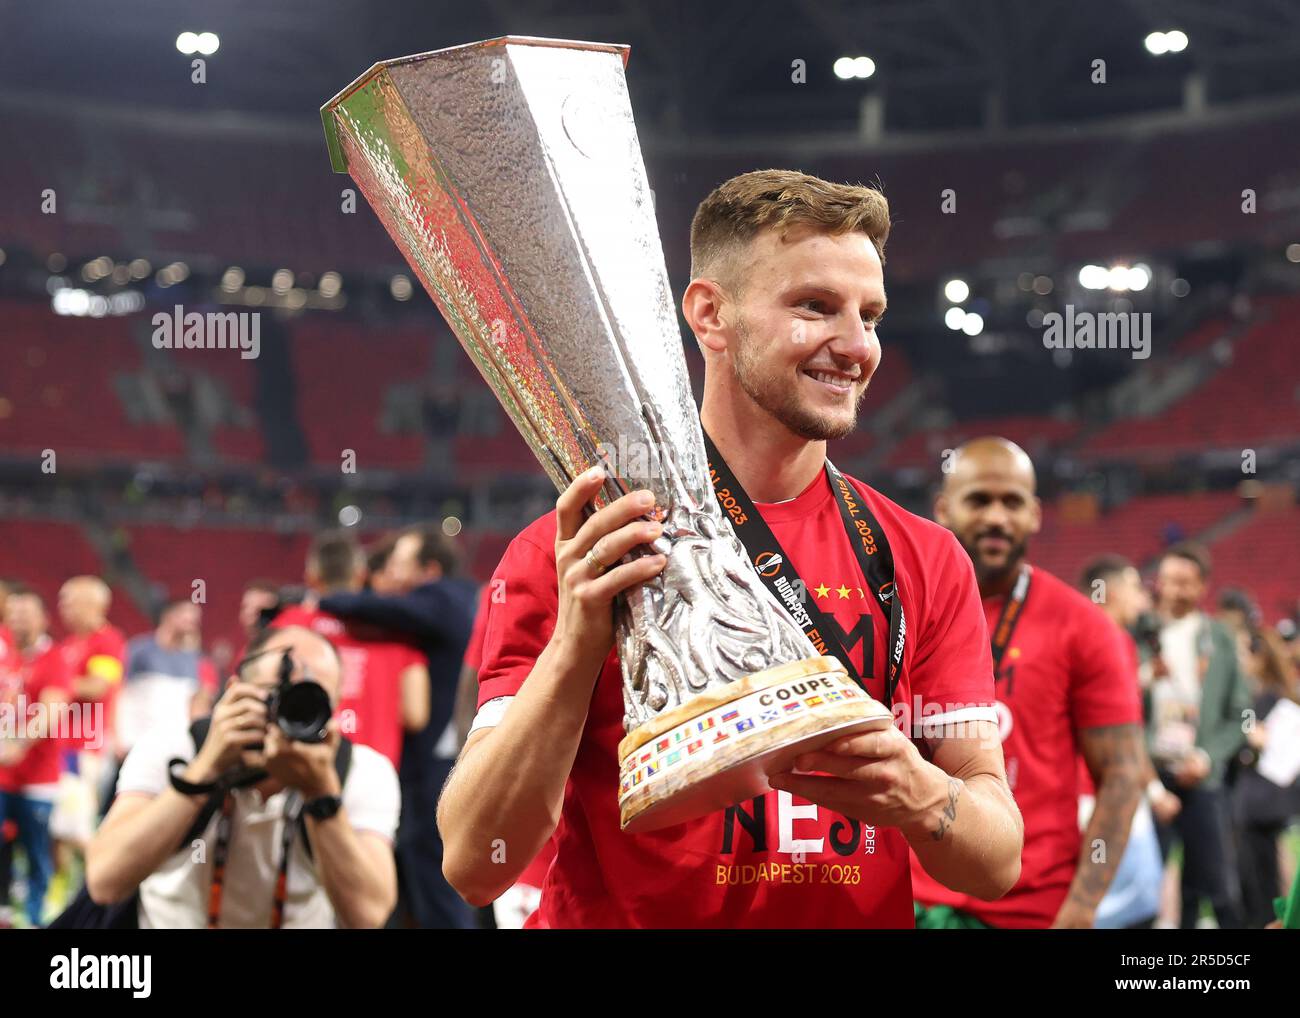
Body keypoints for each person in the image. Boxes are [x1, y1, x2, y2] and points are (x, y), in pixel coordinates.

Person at [439, 169, 1023, 928]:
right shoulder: (588, 545)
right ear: (711, 315)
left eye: (870, 315)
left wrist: (920, 794)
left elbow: (997, 860)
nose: (855, 346)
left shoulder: (925, 557)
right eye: (815, 307)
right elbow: (476, 862)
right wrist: (578, 643)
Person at [910, 439, 1144, 929]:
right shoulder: (902, 614)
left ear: (1036, 514)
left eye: (1012, 502)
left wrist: (1082, 908)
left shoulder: (1085, 626)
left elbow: (1123, 776)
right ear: (943, 508)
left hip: (1028, 910)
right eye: (979, 500)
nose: (997, 517)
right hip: (906, 900)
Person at [84, 624, 399, 928]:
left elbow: (368, 916)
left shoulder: (361, 771)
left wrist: (321, 794)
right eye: (278, 693)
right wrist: (204, 771)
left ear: (334, 708)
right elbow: (105, 882)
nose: (292, 711)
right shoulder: (175, 748)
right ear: (235, 692)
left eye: (313, 698)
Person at [320, 525, 478, 930]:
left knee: (433, 865)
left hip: (432, 768)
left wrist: (326, 598)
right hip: (441, 760)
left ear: (429, 569)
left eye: (400, 562)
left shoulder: (441, 597)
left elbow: (376, 610)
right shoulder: (456, 600)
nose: (391, 569)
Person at [1147, 543, 1252, 928]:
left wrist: (1208, 756)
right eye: (1170, 580)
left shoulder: (1219, 638)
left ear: (1202, 586)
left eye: (1185, 582)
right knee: (1142, 886)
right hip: (1149, 776)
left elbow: (1242, 714)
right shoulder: (1143, 631)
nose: (1176, 589)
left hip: (1202, 774)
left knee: (1217, 887)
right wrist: (1144, 678)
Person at [274, 531, 429, 773]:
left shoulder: (288, 628)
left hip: (304, 768)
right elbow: (415, 714)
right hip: (376, 776)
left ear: (312, 577)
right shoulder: (397, 633)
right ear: (361, 575)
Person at [1078, 554, 1177, 928]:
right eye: (1136, 587)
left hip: (1069, 797)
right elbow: (1125, 732)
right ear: (1112, 592)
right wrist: (1154, 791)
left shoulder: (1068, 632)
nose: (1143, 599)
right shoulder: (1113, 640)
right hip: (1108, 798)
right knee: (1129, 912)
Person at [0, 589, 73, 926]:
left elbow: (51, 710)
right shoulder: (6, 655)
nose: (18, 620)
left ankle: (35, 917)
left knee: (36, 852)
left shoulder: (54, 658)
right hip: (3, 777)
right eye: (13, 613)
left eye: (25, 613)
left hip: (38, 779)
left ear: (44, 618)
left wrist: (17, 745)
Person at [1229, 626, 1299, 927]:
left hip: (1262, 801)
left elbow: (1257, 738)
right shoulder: (1270, 693)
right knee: (1260, 871)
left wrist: (1244, 732)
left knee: (1260, 878)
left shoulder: (1267, 696)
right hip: (1264, 800)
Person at [55, 576, 127, 832]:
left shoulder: (107, 640)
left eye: (68, 601)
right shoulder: (69, 644)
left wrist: (53, 687)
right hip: (64, 743)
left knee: (78, 823)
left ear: (92, 604)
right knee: (61, 821)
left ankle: (92, 871)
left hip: (87, 747)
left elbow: (99, 687)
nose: (61, 607)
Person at [116, 599, 217, 763]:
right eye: (188, 616)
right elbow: (119, 692)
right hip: (137, 743)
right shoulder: (139, 650)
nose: (193, 623)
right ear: (170, 616)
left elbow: (196, 703)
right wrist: (117, 737)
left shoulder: (194, 659)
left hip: (175, 746)